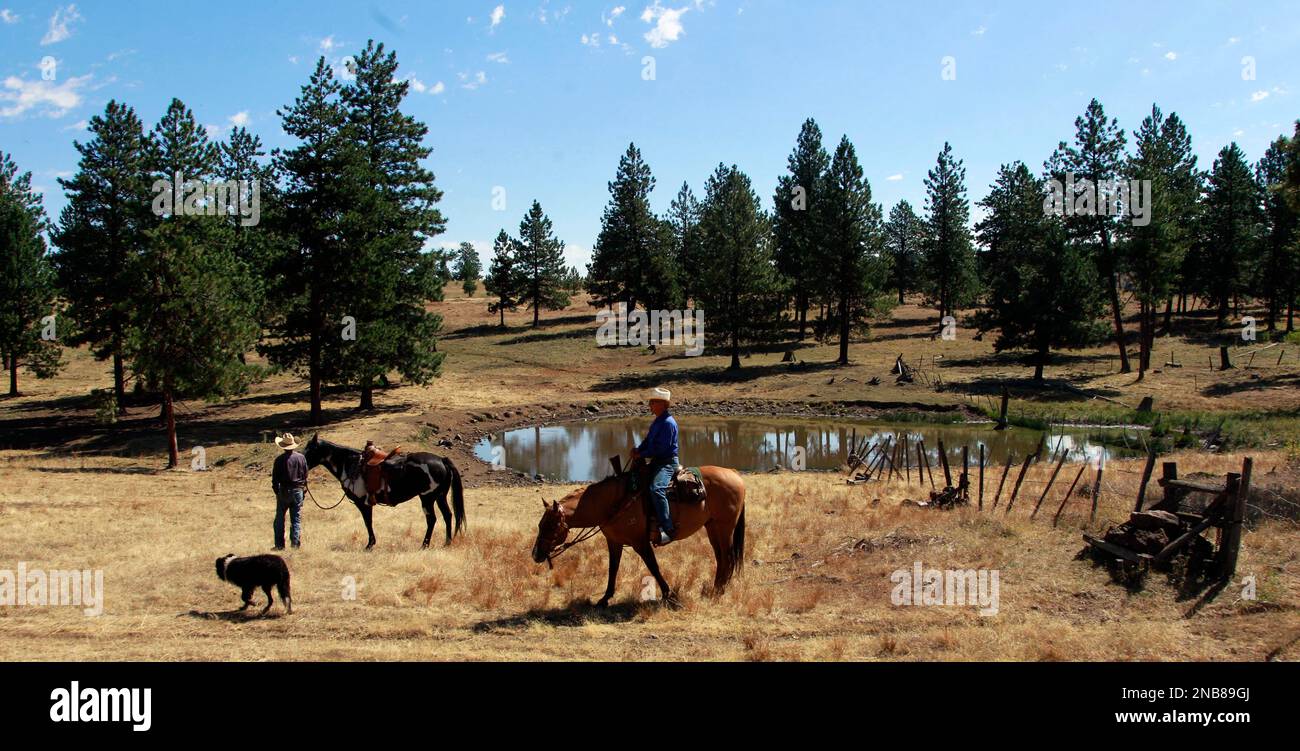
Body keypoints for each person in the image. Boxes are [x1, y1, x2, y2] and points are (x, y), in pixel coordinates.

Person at [631, 387, 679, 546]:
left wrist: (642, 455)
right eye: (650, 402)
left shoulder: (667, 423)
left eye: (653, 402)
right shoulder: (658, 421)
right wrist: (639, 449)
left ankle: (668, 529)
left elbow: (661, 448)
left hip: (667, 462)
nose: (650, 405)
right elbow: (648, 441)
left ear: (662, 404)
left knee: (656, 488)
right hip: (658, 461)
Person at [271, 432, 308, 549]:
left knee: (280, 519)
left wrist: (277, 492)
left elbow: (275, 479)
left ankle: (279, 545)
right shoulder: (301, 458)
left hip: (284, 491)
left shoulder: (279, 460)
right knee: (296, 519)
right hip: (298, 490)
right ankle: (295, 544)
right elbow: (305, 475)